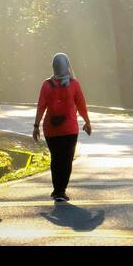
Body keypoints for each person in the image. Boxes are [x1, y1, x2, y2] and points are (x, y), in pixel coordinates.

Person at [32, 53, 92, 202]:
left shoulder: (46, 84)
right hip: (70, 129)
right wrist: (87, 122)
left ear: (53, 66)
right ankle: (61, 190)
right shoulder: (74, 84)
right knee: (66, 160)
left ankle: (57, 189)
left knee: (56, 158)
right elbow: (81, 105)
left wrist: (36, 125)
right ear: (68, 66)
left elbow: (41, 107)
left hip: (51, 129)